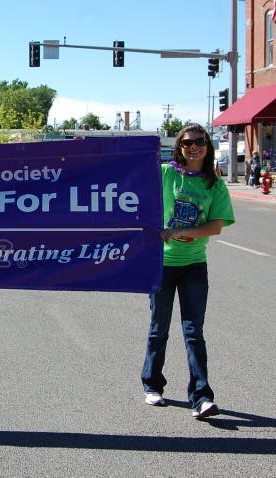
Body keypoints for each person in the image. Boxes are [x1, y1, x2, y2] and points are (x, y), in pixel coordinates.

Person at [141, 123, 235, 419]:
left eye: (200, 142)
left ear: (208, 147)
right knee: (159, 328)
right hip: (162, 265)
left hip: (194, 265)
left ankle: (201, 396)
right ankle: (152, 384)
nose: (193, 147)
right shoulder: (167, 174)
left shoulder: (214, 184)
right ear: (178, 147)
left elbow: (216, 226)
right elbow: (135, 177)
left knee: (194, 332)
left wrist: (184, 232)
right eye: (186, 142)